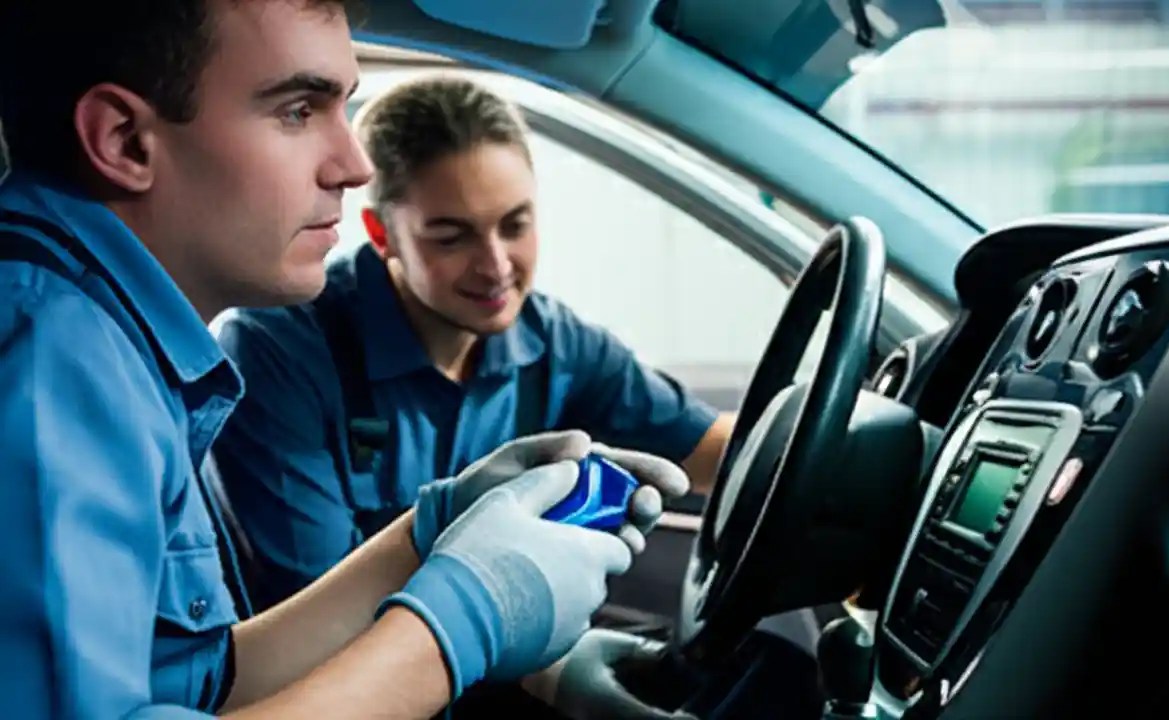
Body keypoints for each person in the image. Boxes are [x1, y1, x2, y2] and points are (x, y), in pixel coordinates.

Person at [0, 2, 692, 718]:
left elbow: (201, 685)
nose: (355, 166)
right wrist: (467, 619)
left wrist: (425, 539)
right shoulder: (51, 361)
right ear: (125, 141)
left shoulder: (113, 345)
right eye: (298, 111)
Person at [210, 74, 736, 610]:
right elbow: (320, 610)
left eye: (514, 225)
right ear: (383, 234)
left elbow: (714, 451)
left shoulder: (553, 342)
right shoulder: (278, 353)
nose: (495, 266)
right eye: (452, 238)